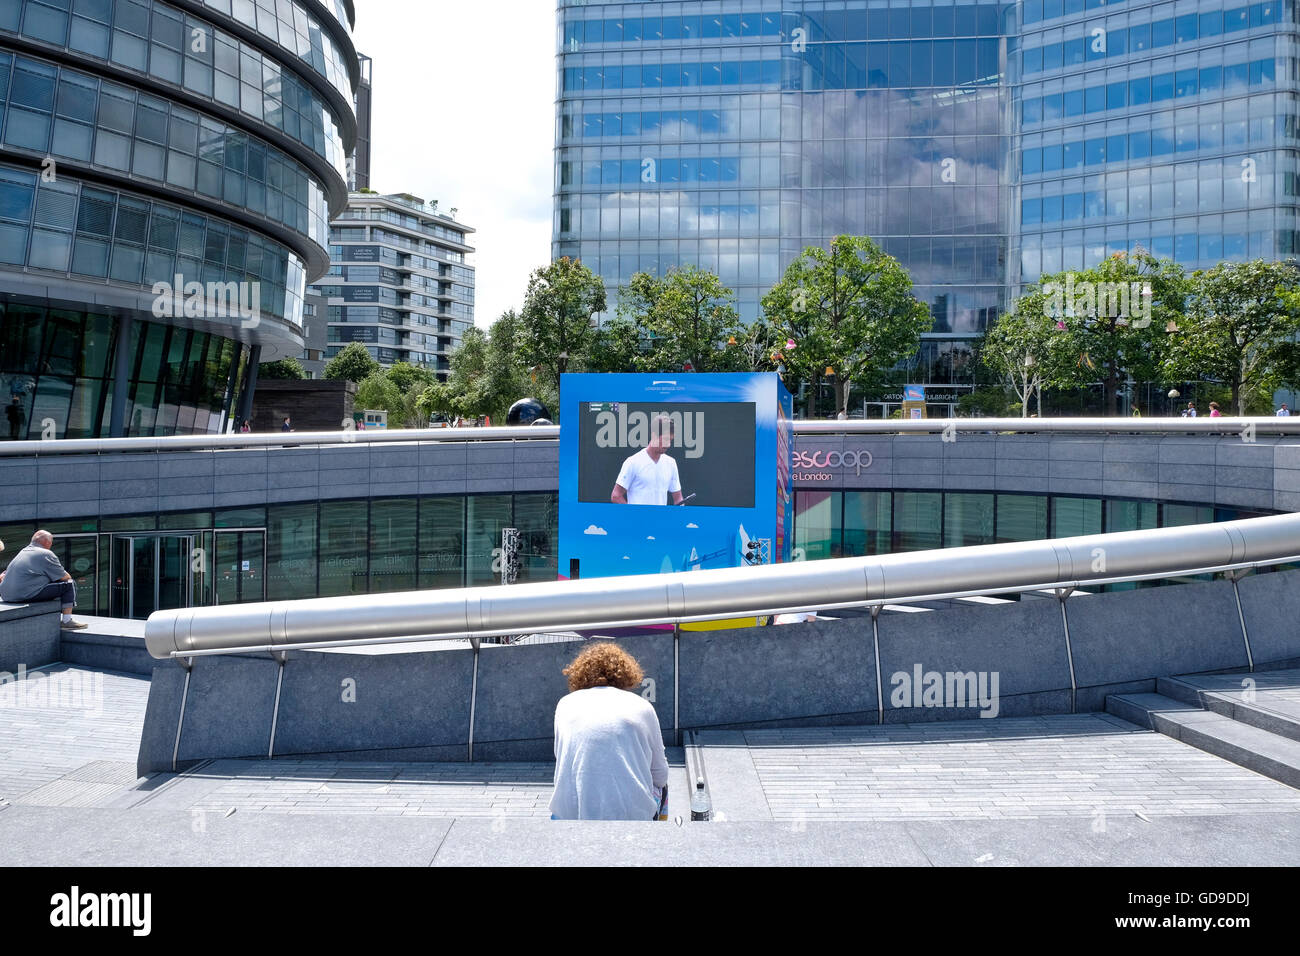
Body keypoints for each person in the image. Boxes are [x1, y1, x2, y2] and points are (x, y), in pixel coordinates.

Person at [549, 642, 669, 821]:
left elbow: (562, 757)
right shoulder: (642, 706)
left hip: (570, 815)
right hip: (632, 817)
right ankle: (656, 837)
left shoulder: (565, 704)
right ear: (627, 673)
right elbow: (660, 774)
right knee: (664, 790)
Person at [0, 530, 86, 629]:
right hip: (22, 595)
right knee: (69, 584)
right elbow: (66, 577)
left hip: (6, 595)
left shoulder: (23, 551)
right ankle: (67, 621)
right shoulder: (46, 553)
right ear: (48, 543)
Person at [611, 413, 683, 506]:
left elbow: (678, 499)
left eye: (671, 440)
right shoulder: (633, 462)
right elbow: (616, 496)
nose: (668, 444)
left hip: (661, 520)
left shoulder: (671, 463)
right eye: (665, 439)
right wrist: (634, 515)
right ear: (654, 435)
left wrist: (681, 510)